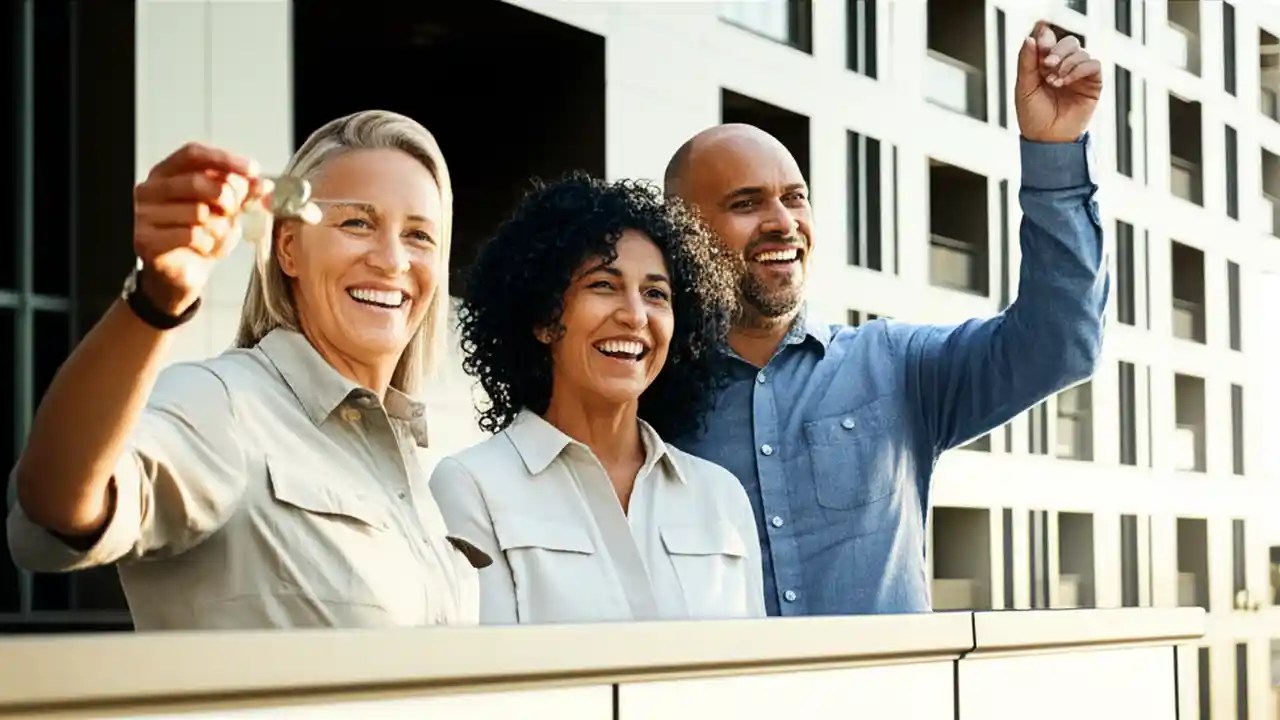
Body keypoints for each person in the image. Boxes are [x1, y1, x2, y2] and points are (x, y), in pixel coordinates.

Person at [661, 23, 1108, 616]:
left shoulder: (896, 366)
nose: (782, 222)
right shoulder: (647, 395)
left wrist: (1054, 152)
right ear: (681, 231)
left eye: (794, 197)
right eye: (746, 203)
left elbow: (1061, 346)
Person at [6, 109, 490, 630]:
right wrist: (155, 301)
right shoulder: (224, 405)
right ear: (287, 248)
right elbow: (59, 502)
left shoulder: (412, 463)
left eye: (419, 235)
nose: (392, 260)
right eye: (357, 223)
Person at [429, 174, 764, 624]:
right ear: (544, 318)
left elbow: (750, 679)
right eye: (603, 285)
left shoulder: (720, 497)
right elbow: (490, 682)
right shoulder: (471, 487)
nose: (634, 315)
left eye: (655, 294)